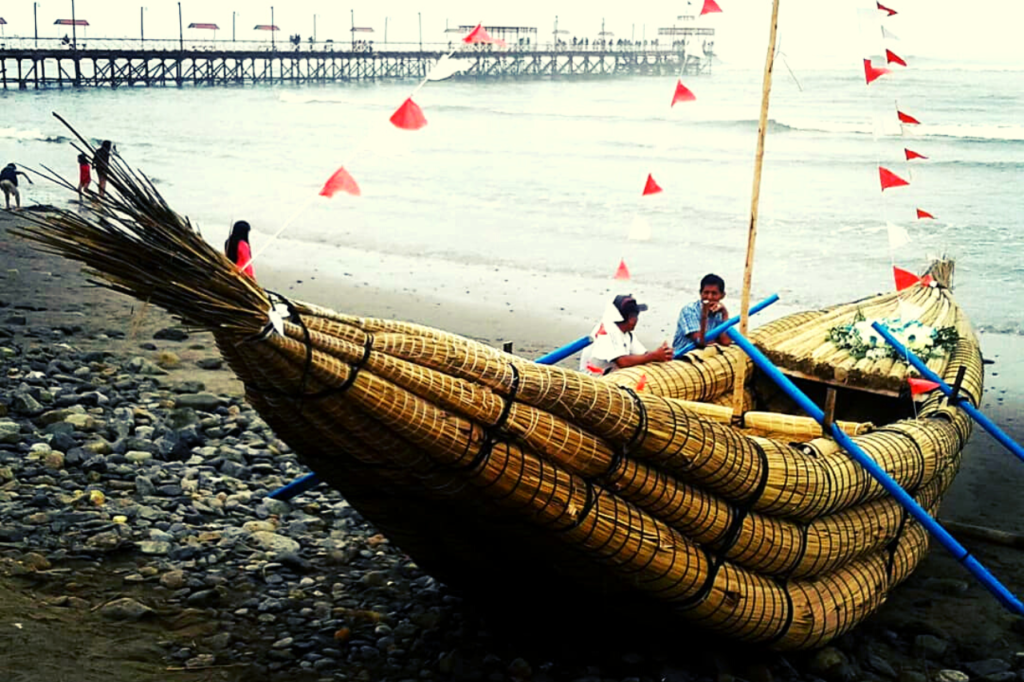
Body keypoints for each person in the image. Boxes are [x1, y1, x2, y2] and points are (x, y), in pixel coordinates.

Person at [579, 294, 673, 377]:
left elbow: (643, 355)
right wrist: (654, 356)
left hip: (609, 375)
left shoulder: (626, 333)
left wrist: (661, 354)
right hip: (594, 378)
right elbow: (622, 362)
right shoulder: (608, 330)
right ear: (632, 319)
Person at [673, 273, 732, 353]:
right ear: (700, 293)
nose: (709, 297)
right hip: (684, 355)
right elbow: (700, 341)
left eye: (714, 293)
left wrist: (725, 314)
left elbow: (726, 342)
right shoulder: (689, 310)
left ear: (722, 295)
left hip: (705, 355)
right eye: (706, 293)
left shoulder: (719, 313)